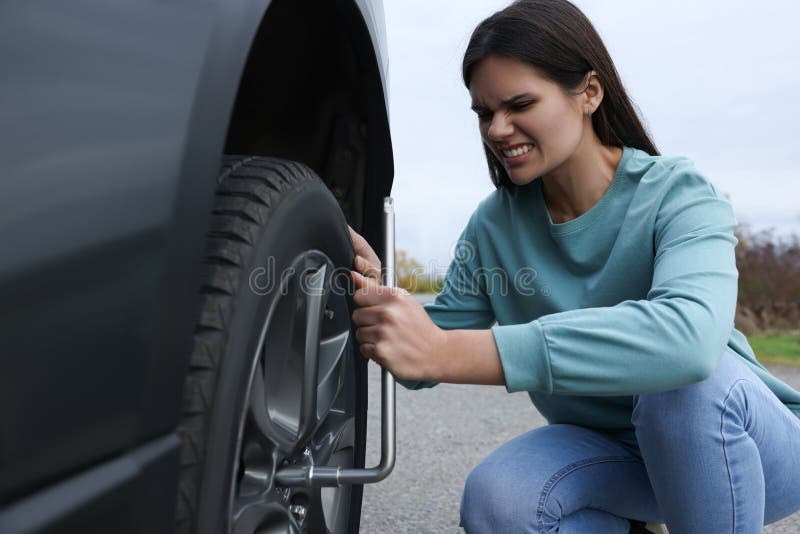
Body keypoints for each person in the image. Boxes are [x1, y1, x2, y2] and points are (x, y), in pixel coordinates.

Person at [347, 0, 800, 532]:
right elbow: (429, 347)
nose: (497, 129)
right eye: (484, 112)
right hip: (614, 459)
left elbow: (690, 341)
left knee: (681, 391)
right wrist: (380, 302)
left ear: (589, 92)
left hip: (744, 448)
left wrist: (446, 352)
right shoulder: (494, 225)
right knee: (501, 501)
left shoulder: (680, 194)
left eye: (519, 104)